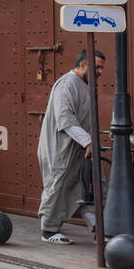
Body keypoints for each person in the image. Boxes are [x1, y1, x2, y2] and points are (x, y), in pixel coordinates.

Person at [37, 48, 105, 244]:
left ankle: (99, 229)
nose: (100, 71)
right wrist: (89, 141)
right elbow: (65, 120)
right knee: (57, 186)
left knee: (90, 187)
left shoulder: (85, 84)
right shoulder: (67, 85)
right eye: (97, 67)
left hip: (79, 148)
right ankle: (48, 230)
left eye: (101, 68)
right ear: (83, 65)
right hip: (60, 149)